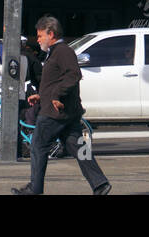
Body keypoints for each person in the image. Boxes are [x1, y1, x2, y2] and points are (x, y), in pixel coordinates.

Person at [12, 16, 110, 195]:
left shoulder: (63, 51)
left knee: (38, 145)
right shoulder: (56, 52)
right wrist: (41, 96)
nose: (38, 39)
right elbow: (56, 80)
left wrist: (57, 96)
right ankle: (100, 184)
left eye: (41, 35)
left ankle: (35, 188)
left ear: (51, 34)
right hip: (63, 111)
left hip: (55, 112)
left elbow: (73, 75)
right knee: (77, 147)